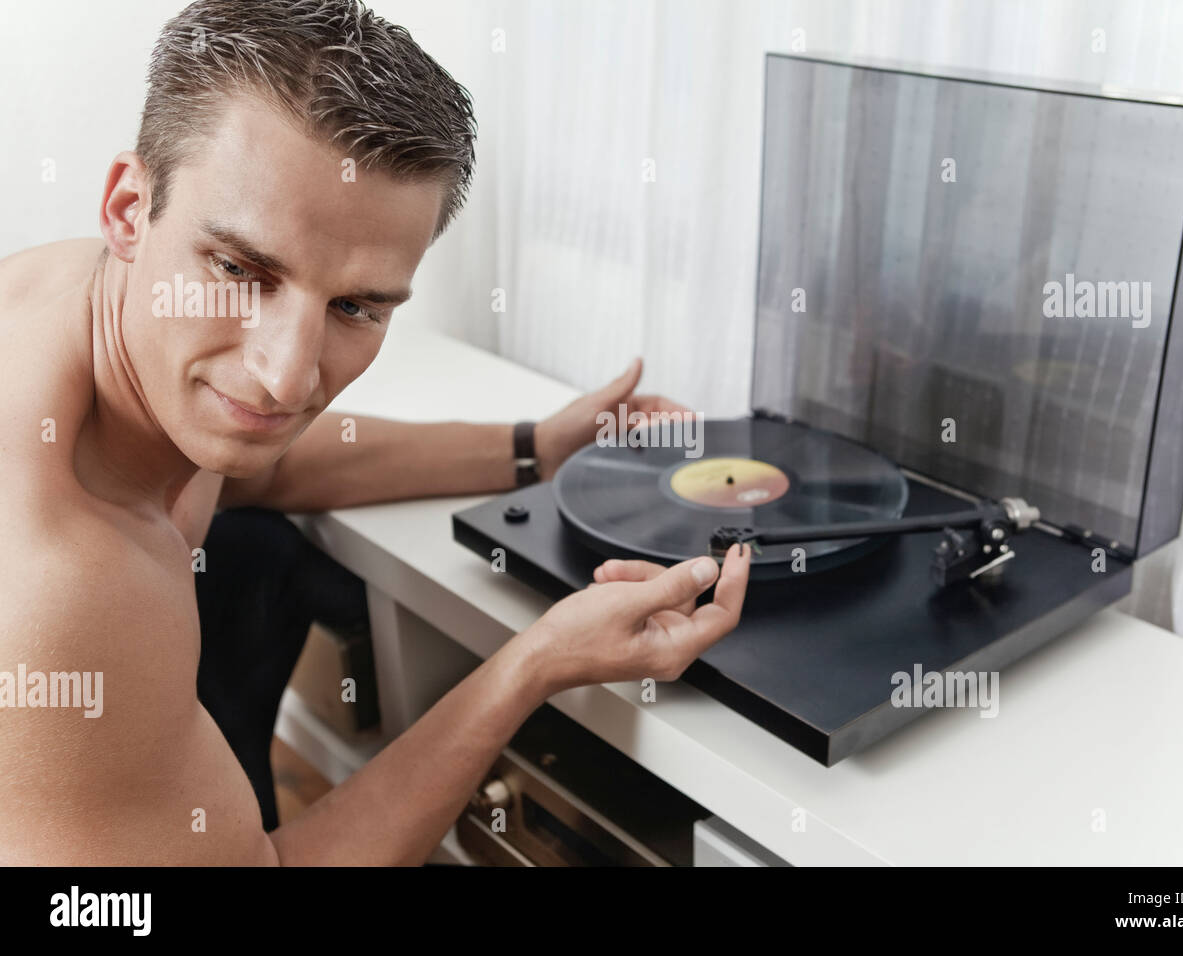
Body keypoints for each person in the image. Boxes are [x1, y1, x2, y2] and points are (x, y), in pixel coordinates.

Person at [0, 0, 750, 865]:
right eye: (243, 271)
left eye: (353, 306)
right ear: (129, 206)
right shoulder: (62, 592)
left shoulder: (116, 309)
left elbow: (259, 469)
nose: (286, 374)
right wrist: (532, 663)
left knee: (262, 554)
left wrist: (535, 446)